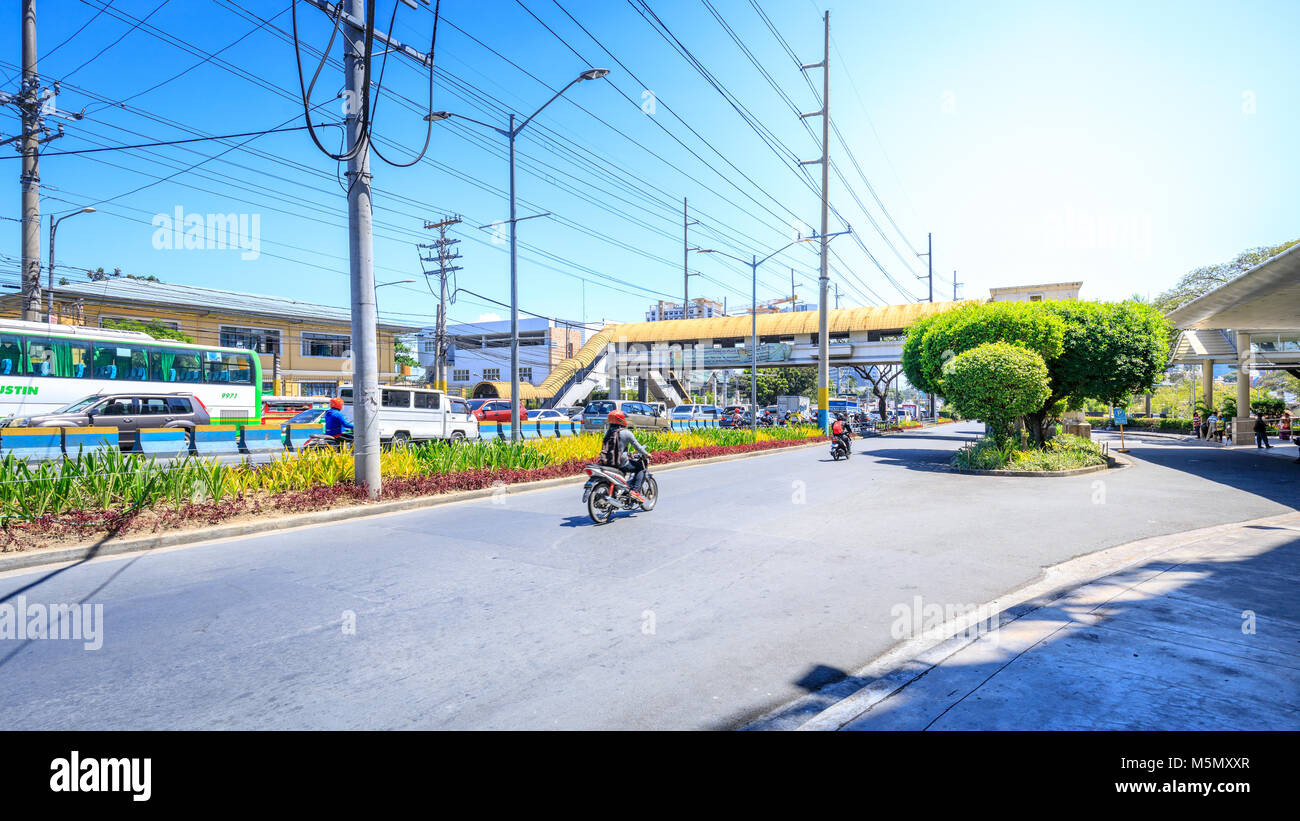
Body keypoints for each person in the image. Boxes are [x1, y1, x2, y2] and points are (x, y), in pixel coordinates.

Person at [599, 410, 651, 504]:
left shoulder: (608, 432)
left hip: (608, 462)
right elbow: (637, 447)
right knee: (640, 468)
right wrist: (647, 454)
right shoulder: (626, 433)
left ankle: (621, 491)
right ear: (621, 420)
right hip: (621, 462)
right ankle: (635, 492)